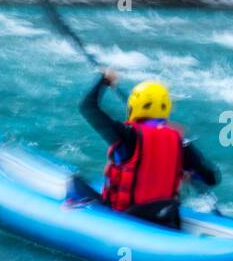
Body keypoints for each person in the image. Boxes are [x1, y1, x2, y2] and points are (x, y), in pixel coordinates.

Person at [77, 69, 219, 229]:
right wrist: (190, 173)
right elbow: (211, 178)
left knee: (75, 184)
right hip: (165, 217)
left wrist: (102, 79)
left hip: (125, 218)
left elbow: (87, 106)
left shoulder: (127, 135)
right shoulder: (179, 141)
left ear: (133, 106)